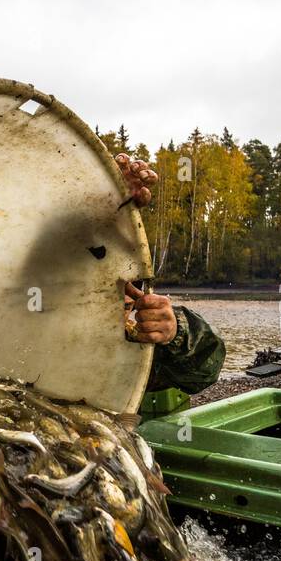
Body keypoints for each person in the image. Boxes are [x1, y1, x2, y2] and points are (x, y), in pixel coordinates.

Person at [114, 154, 226, 395]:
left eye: (128, 292)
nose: (124, 300)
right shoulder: (32, 322)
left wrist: (175, 333)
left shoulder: (129, 344)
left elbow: (202, 373)